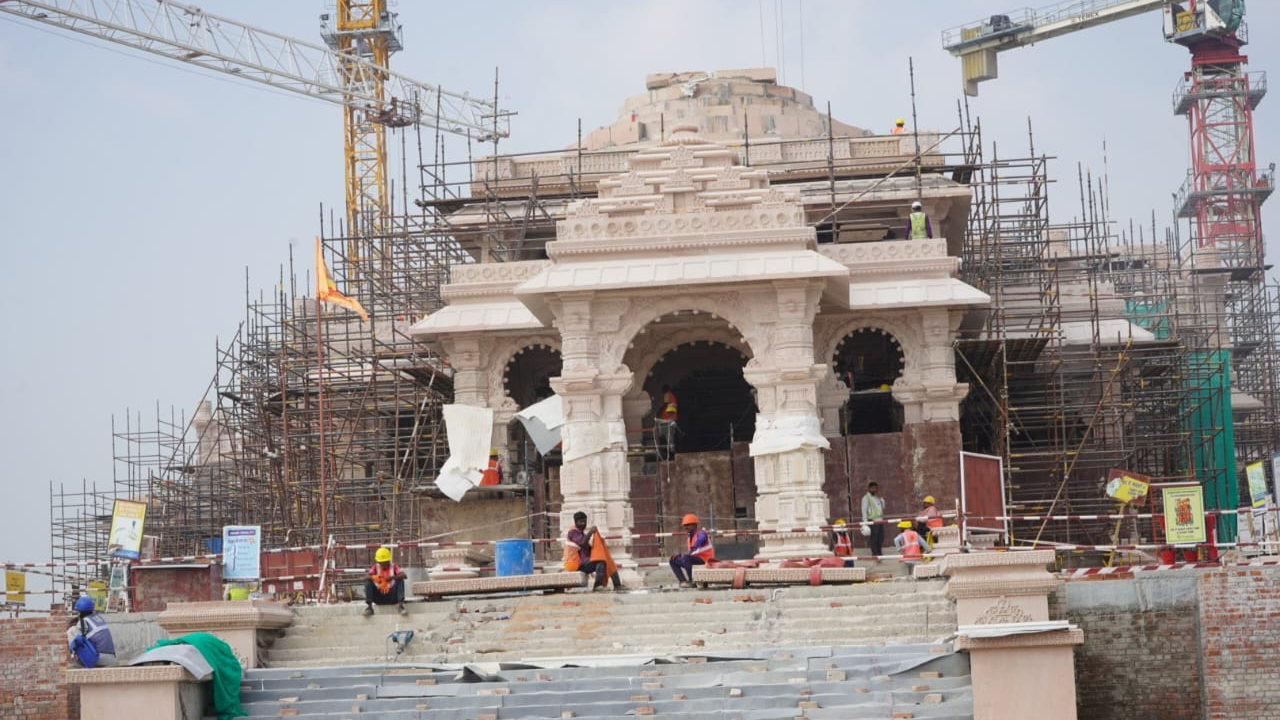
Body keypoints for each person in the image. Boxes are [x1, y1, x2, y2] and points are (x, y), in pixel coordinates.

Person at [566, 510, 623, 591]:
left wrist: (599, 544)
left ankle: (617, 585)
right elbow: (582, 543)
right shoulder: (573, 532)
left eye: (584, 522)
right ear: (575, 522)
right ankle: (597, 586)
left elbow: (588, 549)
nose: (583, 524)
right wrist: (591, 532)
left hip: (582, 563)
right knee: (600, 561)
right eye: (580, 522)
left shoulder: (581, 533)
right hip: (576, 564)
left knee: (608, 561)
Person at [67, 596, 116, 667]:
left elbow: (78, 639)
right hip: (111, 658)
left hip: (99, 658)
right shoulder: (98, 618)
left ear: (80, 612)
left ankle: (77, 659)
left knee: (72, 631)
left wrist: (73, 648)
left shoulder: (83, 622)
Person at [669, 513, 714, 588]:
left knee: (686, 558)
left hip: (705, 560)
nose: (686, 527)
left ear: (695, 525)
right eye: (685, 525)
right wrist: (680, 555)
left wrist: (694, 546)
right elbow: (691, 553)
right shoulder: (690, 537)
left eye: (688, 525)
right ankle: (683, 581)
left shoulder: (701, 533)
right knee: (673, 560)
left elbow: (701, 539)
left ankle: (692, 581)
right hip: (694, 559)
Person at [363, 546, 407, 616]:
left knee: (400, 580)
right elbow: (365, 577)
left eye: (385, 562)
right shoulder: (375, 567)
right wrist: (374, 578)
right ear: (378, 561)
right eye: (381, 562)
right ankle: (369, 607)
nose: (383, 564)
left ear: (388, 561)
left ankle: (401, 606)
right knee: (368, 582)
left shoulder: (394, 567)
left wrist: (392, 577)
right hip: (379, 596)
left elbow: (404, 576)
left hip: (392, 596)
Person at [861, 482, 886, 558]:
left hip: (880, 520)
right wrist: (865, 523)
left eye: (875, 488)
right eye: (872, 488)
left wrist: (881, 499)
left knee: (881, 537)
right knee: (874, 538)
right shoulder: (865, 498)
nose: (874, 490)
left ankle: (879, 551)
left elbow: (883, 507)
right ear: (869, 488)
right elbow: (864, 510)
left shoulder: (878, 498)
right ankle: (875, 552)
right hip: (872, 521)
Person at [655, 385, 678, 457]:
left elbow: (665, 404)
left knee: (664, 437)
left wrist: (659, 412)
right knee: (670, 438)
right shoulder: (673, 396)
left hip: (666, 419)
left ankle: (668, 453)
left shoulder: (667, 394)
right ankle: (671, 452)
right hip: (671, 419)